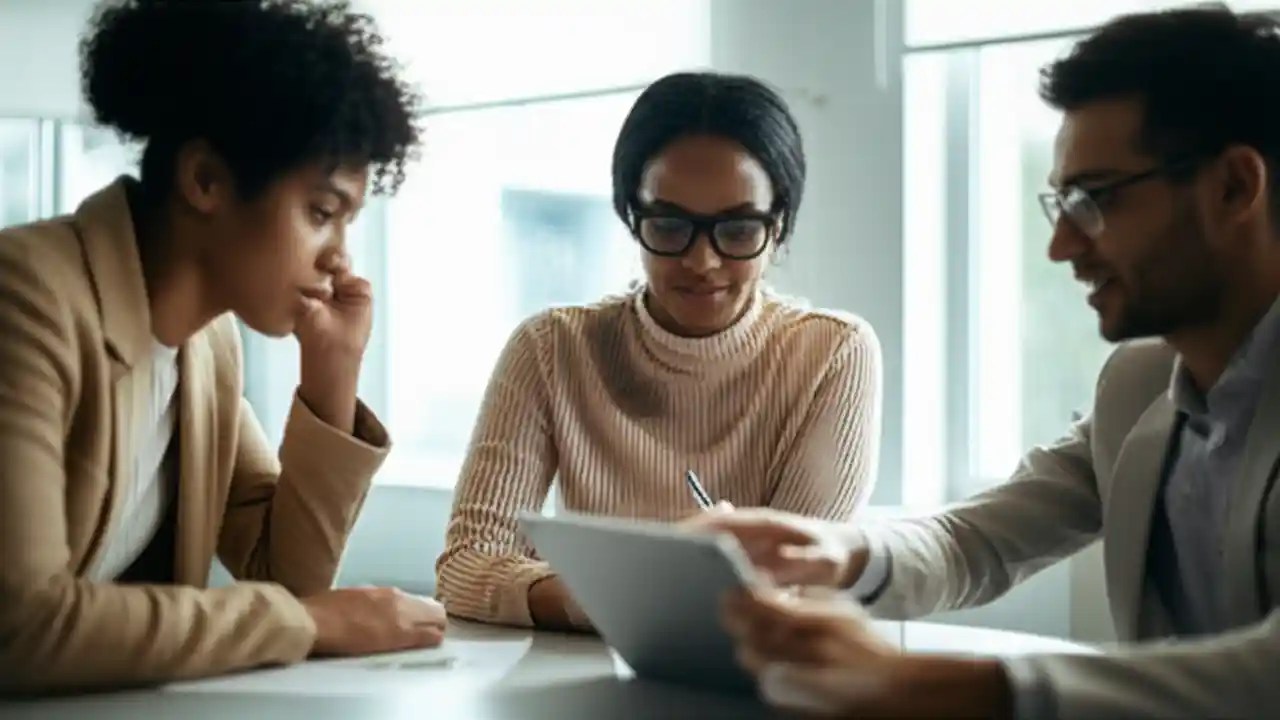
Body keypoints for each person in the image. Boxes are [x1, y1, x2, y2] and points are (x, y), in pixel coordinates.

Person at [693, 5, 1280, 718]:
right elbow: (974, 542)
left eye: (1095, 199)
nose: (1061, 246)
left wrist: (954, 687)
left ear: (1235, 188)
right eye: (1061, 202)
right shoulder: (1138, 387)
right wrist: (835, 552)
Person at [0, 0, 446, 695]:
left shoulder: (207, 346)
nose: (340, 259)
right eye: (321, 213)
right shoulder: (28, 295)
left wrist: (333, 379)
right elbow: (19, 626)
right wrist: (317, 624)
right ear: (205, 180)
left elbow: (282, 575)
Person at [436, 72, 883, 631]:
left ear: (780, 224)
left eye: (739, 230)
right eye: (670, 226)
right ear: (631, 216)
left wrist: (604, 593)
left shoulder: (832, 353)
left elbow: (789, 582)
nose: (702, 262)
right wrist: (610, 601)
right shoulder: (550, 348)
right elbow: (465, 567)